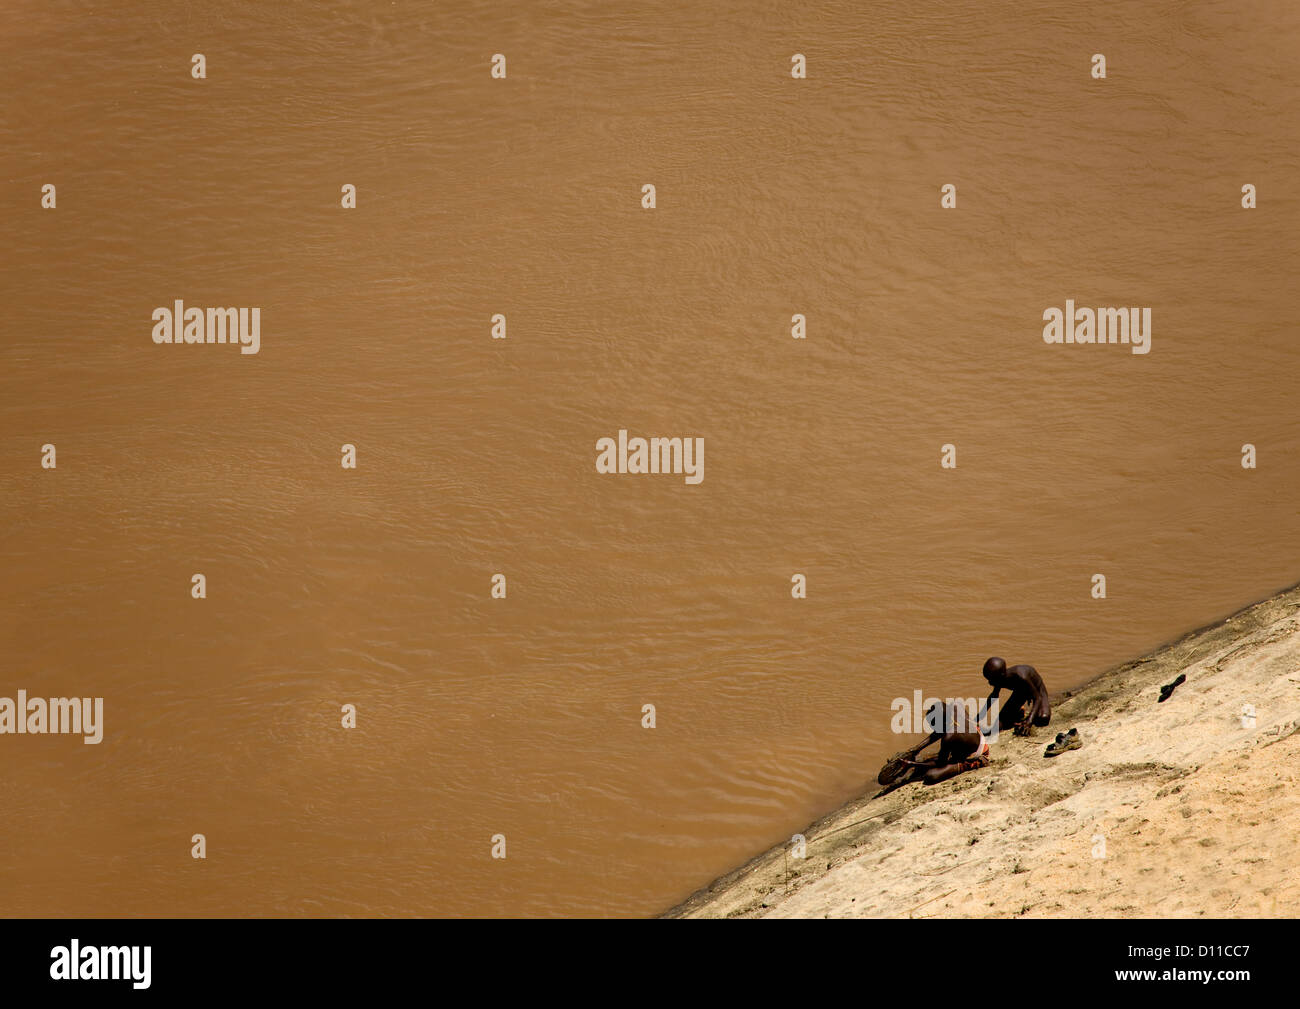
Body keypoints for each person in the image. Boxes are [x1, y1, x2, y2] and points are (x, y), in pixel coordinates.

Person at [895, 700, 992, 785]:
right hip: (978, 737)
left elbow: (940, 763)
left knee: (930, 776)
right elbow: (940, 730)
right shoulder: (955, 707)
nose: (931, 727)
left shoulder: (949, 737)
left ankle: (964, 766)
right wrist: (916, 749)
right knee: (929, 759)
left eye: (932, 725)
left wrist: (912, 764)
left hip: (978, 755)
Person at [981, 656, 1050, 735]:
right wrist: (981, 715)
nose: (989, 683)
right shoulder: (998, 679)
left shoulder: (1021, 677)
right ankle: (1018, 713)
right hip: (1020, 691)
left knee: (1043, 718)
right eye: (988, 679)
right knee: (1000, 724)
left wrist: (1029, 722)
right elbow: (994, 696)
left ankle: (1019, 714)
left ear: (1002, 675)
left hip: (1037, 690)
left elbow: (1038, 698)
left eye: (991, 679)